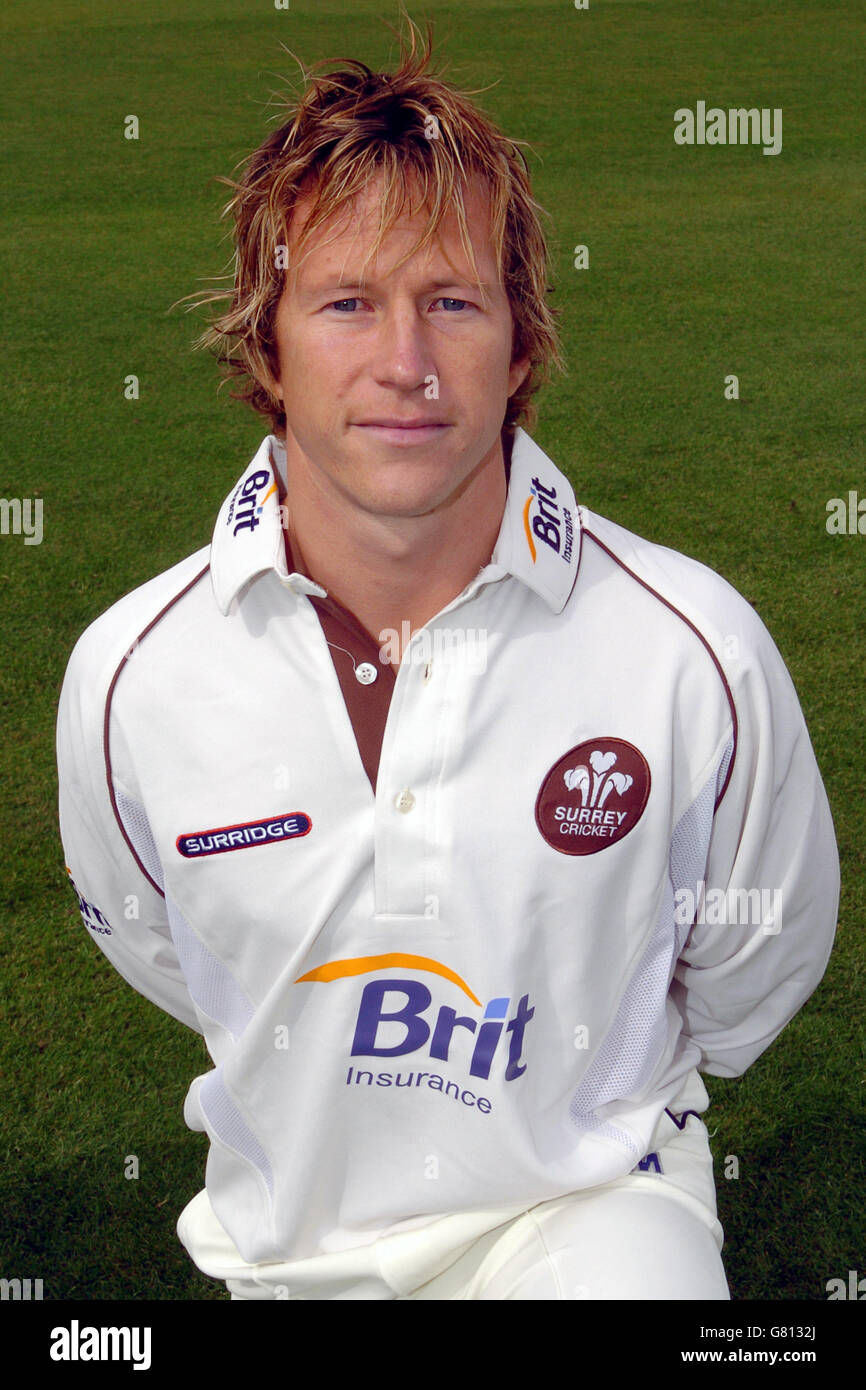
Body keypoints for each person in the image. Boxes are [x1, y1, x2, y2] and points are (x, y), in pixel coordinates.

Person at [56, 23, 839, 1301]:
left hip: (589, 1206)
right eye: (348, 302)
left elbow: (755, 967)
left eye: (453, 302)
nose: (404, 365)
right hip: (288, 1243)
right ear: (267, 345)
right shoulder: (131, 674)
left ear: (520, 343)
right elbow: (169, 947)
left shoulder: (689, 649)